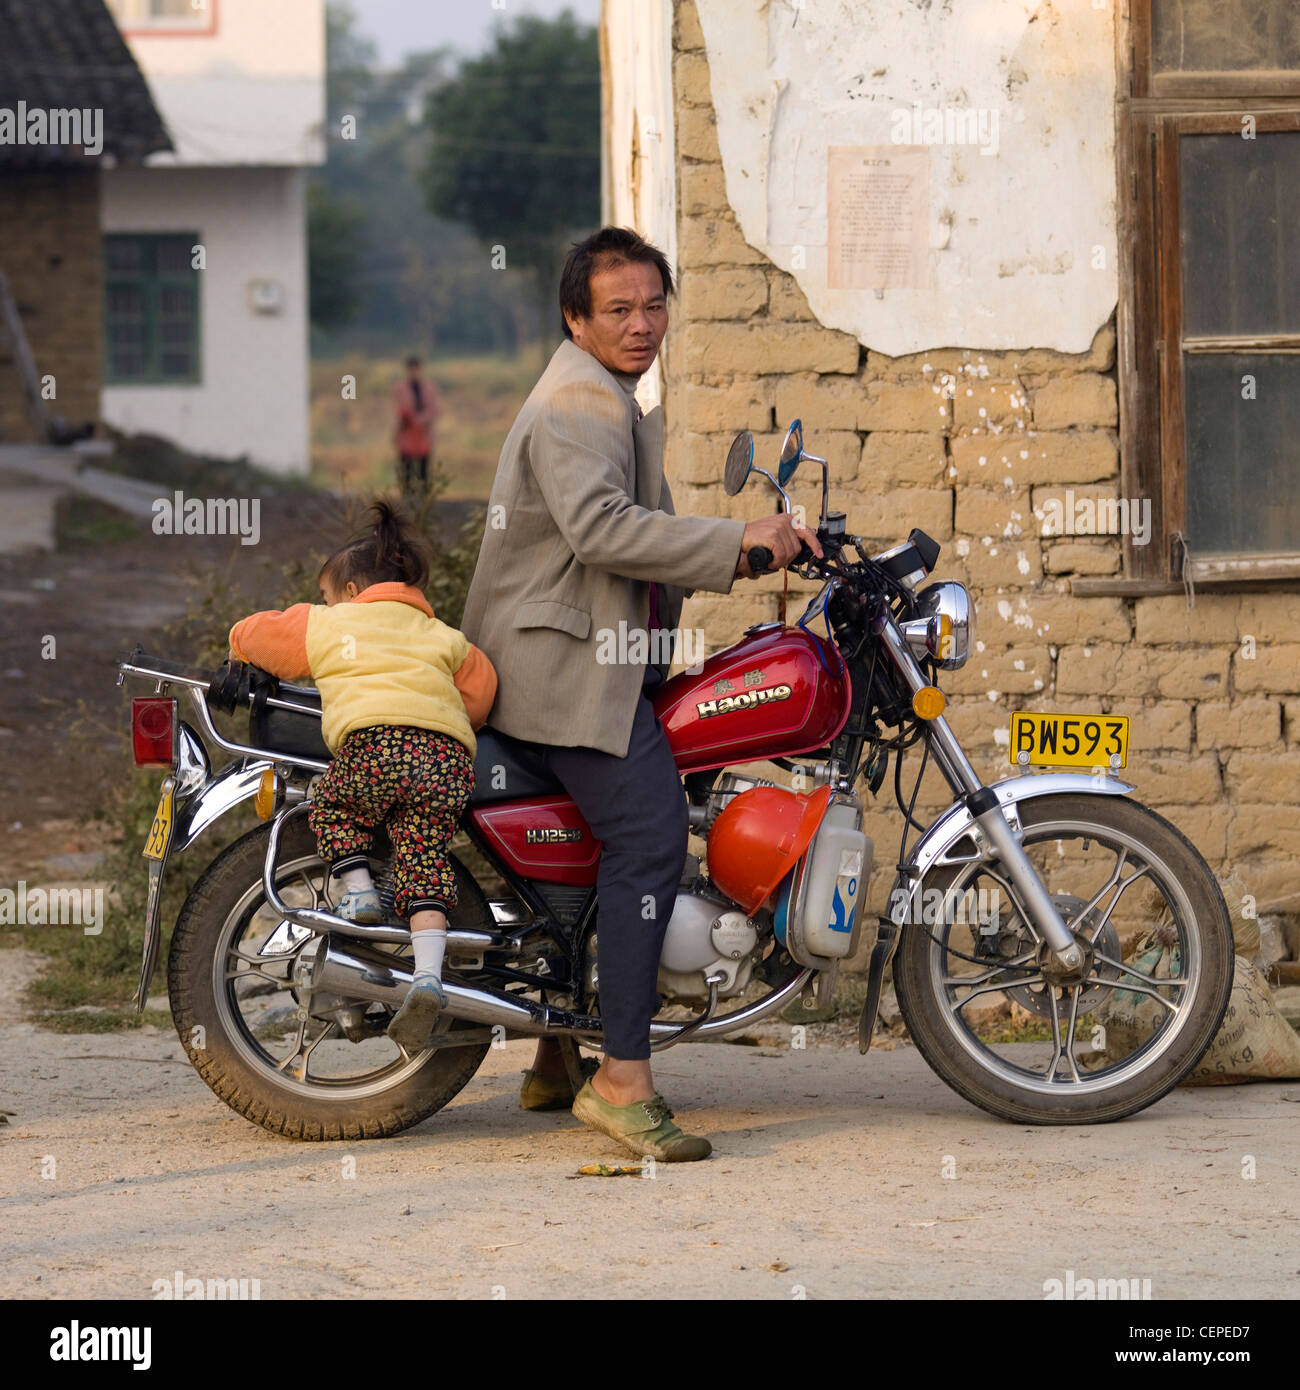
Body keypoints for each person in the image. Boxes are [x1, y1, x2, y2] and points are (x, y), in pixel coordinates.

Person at [460, 226, 819, 1162]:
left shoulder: (603, 393)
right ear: (577, 317)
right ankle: (622, 1082)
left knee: (599, 848)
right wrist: (734, 537)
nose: (642, 323)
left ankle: (554, 1054)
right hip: (563, 675)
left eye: (655, 304)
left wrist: (744, 549)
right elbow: (603, 532)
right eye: (619, 308)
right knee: (652, 839)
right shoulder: (582, 400)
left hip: (585, 654)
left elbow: (634, 535)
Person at [227, 500, 497, 1050]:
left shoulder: (331, 623)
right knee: (425, 863)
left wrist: (236, 647)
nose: (324, 602)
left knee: (331, 804)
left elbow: (260, 634)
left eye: (327, 594)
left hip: (373, 748)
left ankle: (358, 893)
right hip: (444, 762)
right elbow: (481, 691)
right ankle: (427, 977)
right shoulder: (442, 635)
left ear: (350, 592)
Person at [394, 355, 440, 493]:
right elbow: (400, 410)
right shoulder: (400, 388)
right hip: (407, 434)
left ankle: (422, 502)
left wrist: (420, 419)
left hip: (423, 435)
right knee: (406, 473)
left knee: (423, 472)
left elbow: (433, 410)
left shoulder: (429, 388)